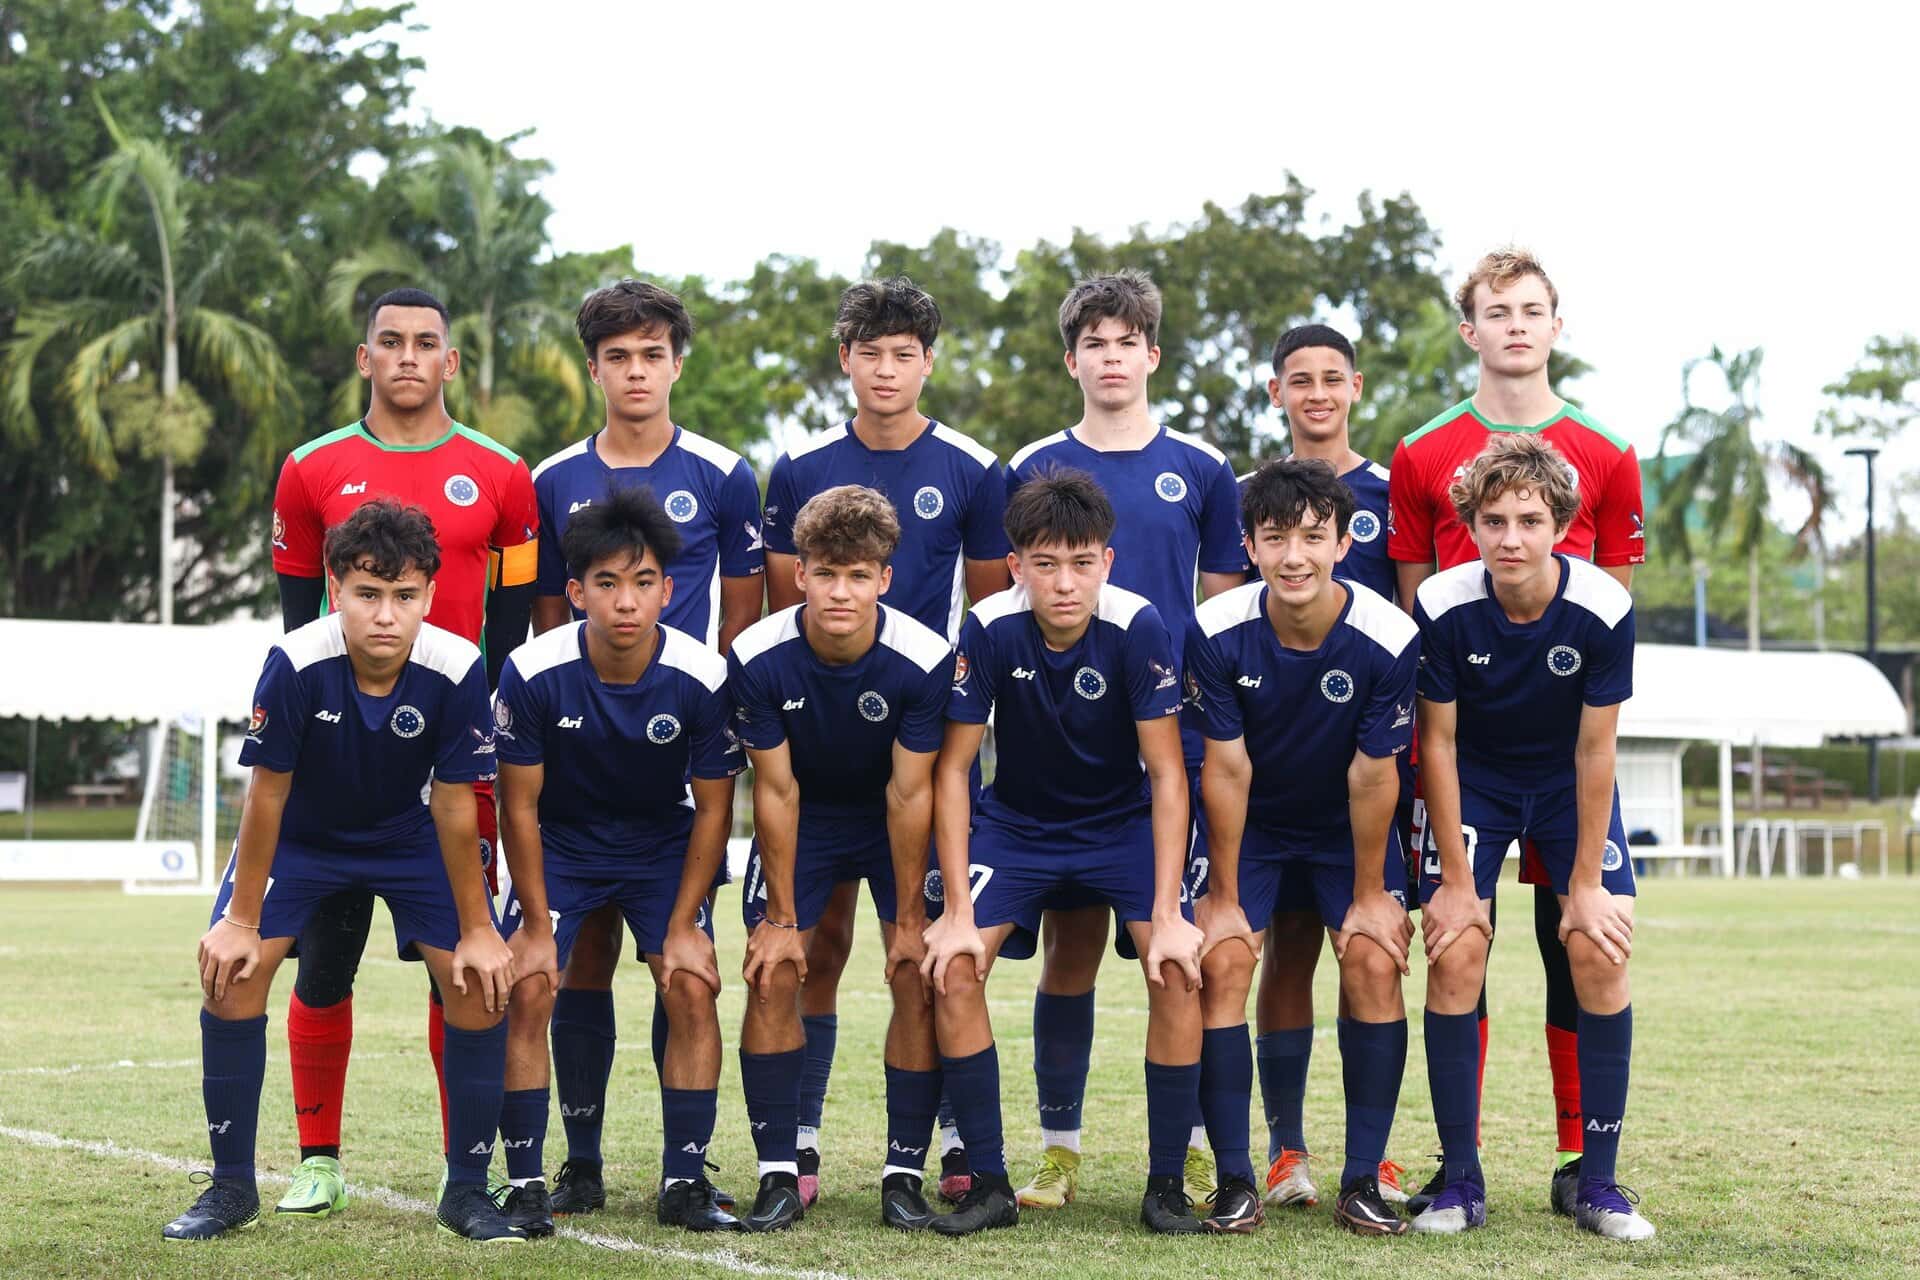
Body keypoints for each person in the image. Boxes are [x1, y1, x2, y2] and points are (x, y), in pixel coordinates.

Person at [165, 499, 520, 1243]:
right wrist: (240, 920)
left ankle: (466, 1190)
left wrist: (482, 930)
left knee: (478, 984)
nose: (385, 614)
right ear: (334, 588)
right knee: (232, 974)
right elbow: (268, 795)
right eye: (367, 593)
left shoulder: (457, 667)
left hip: (406, 835)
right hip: (304, 836)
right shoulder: (295, 662)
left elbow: (456, 810)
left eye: (404, 595)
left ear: (429, 593)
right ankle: (231, 1189)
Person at [267, 286, 537, 1218]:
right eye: (392, 342)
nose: (410, 357)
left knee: (461, 957)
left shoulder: (503, 474)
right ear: (364, 357)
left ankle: (464, 1166)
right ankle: (318, 1159)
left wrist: (487, 739)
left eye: (428, 343)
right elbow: (295, 620)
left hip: (455, 752)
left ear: (452, 362)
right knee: (325, 960)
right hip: (340, 758)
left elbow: (513, 628)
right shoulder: (310, 468)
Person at [1388, 248, 1645, 1216]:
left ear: (1558, 521)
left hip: (1563, 769)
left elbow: (1595, 745)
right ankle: (1461, 1174)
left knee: (1595, 944)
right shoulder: (1446, 596)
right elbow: (1439, 740)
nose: (1509, 536)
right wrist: (1455, 881)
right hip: (1474, 772)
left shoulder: (1602, 598)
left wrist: (1586, 879)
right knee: (1456, 942)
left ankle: (1599, 1175)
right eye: (1492, 519)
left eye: (1528, 520)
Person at [758, 278, 1010, 1205]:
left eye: (905, 353)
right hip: (821, 744)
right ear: (846, 361)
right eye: (871, 353)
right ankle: (804, 1142)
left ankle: (944, 1143)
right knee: (815, 947)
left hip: (925, 743)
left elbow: (988, 616)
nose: (888, 369)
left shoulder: (976, 470)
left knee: (927, 947)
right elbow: (793, 603)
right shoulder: (797, 469)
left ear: (929, 361)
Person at [1002, 270, 1244, 1208]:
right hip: (1060, 747)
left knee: (1170, 947)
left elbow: (1221, 615)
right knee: (1067, 950)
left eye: (1126, 341)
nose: (1111, 357)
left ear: (1152, 354)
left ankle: (1179, 1147)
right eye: (1093, 343)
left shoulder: (1205, 466)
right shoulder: (1030, 465)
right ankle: (1059, 1152)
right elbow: (1001, 596)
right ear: (1072, 360)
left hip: (1165, 748)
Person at [527, 279, 764, 1216]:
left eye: (652, 354)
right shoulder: (551, 480)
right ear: (594, 368)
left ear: (677, 362)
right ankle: (579, 1160)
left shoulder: (722, 472)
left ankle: (683, 1169)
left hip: (680, 758)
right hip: (579, 759)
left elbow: (741, 621)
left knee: (684, 960)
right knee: (577, 962)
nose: (636, 371)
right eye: (618, 357)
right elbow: (549, 620)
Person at [921, 469, 1205, 1237]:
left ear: (1107, 561)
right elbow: (953, 769)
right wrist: (953, 910)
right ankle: (989, 1182)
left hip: (1120, 825)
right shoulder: (987, 626)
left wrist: (1169, 910)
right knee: (951, 967)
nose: (1064, 582)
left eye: (1081, 562)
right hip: (1017, 828)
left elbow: (1169, 772)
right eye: (1045, 564)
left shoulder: (1138, 624)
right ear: (1017, 567)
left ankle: (1167, 1184)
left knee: (1178, 967)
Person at [493, 485, 747, 1234]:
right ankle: (538, 1180)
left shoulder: (702, 677)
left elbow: (714, 808)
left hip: (660, 842)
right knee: (532, 981)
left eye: (642, 583)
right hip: (562, 841)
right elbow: (519, 808)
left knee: (691, 982)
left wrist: (685, 924)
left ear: (669, 591)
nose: (625, 602)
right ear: (575, 593)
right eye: (606, 583)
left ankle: (684, 1179)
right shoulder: (533, 672)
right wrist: (536, 923)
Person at [1186, 457, 1418, 1235]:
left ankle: (1363, 1181)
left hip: (1343, 828)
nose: (1294, 556)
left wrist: (1368, 897)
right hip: (1250, 826)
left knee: (1373, 957)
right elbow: (1225, 766)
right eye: (1275, 537)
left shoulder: (1388, 635)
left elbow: (1373, 776)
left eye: (1312, 538)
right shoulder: (1215, 629)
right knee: (1221, 960)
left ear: (1343, 543)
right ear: (1248, 545)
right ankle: (1235, 1180)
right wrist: (1220, 897)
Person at [729, 485, 955, 1231]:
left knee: (915, 970)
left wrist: (911, 917)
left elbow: (909, 793)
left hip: (890, 812)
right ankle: (779, 1172)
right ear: (799, 573)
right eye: (826, 572)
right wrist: (784, 917)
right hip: (808, 813)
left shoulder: (921, 659)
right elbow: (777, 789)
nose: (841, 591)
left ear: (885, 580)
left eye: (859, 575)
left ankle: (903, 1173)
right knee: (776, 968)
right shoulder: (758, 657)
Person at [1236, 324, 1411, 1209]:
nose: (1315, 392)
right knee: (1285, 956)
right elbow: (1226, 632)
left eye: (1331, 378)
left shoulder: (1390, 491)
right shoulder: (1249, 499)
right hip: (1267, 774)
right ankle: (1282, 1150)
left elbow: (1409, 623)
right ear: (1275, 392)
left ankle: (1371, 1163)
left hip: (1365, 770)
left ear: (1355, 386)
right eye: (1297, 379)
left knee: (1372, 952)